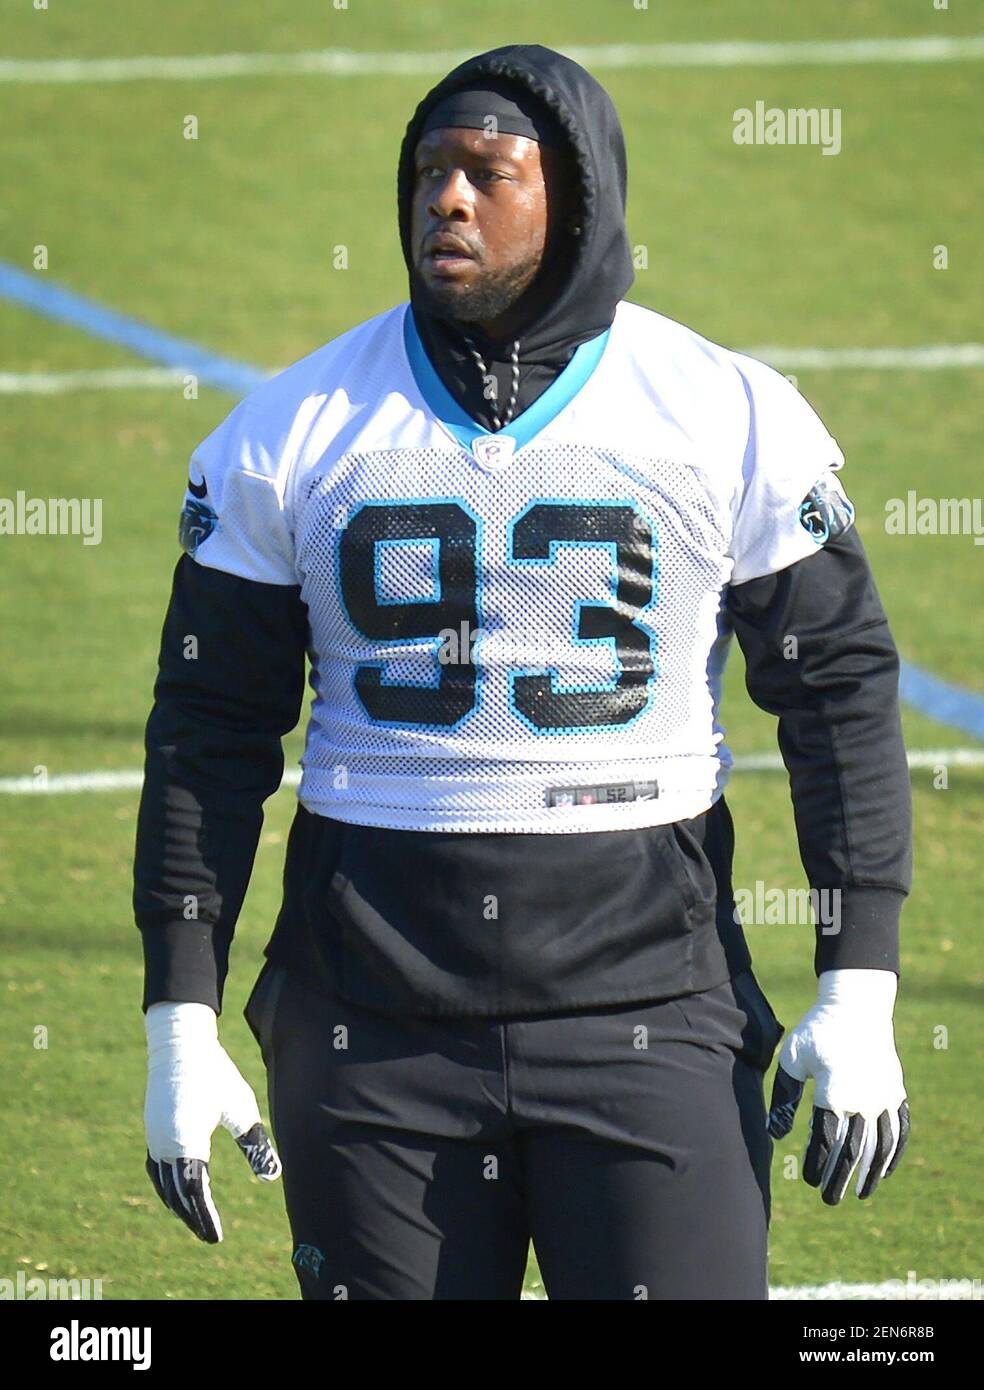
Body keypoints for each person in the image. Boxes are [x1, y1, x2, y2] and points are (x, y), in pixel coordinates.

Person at [135, 44, 912, 1301]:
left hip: (648, 1004)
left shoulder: (721, 413)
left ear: (579, 200)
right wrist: (179, 1014)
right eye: (431, 171)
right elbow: (208, 734)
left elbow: (839, 693)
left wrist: (861, 982)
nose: (448, 197)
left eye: (489, 173)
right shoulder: (291, 431)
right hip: (367, 1019)